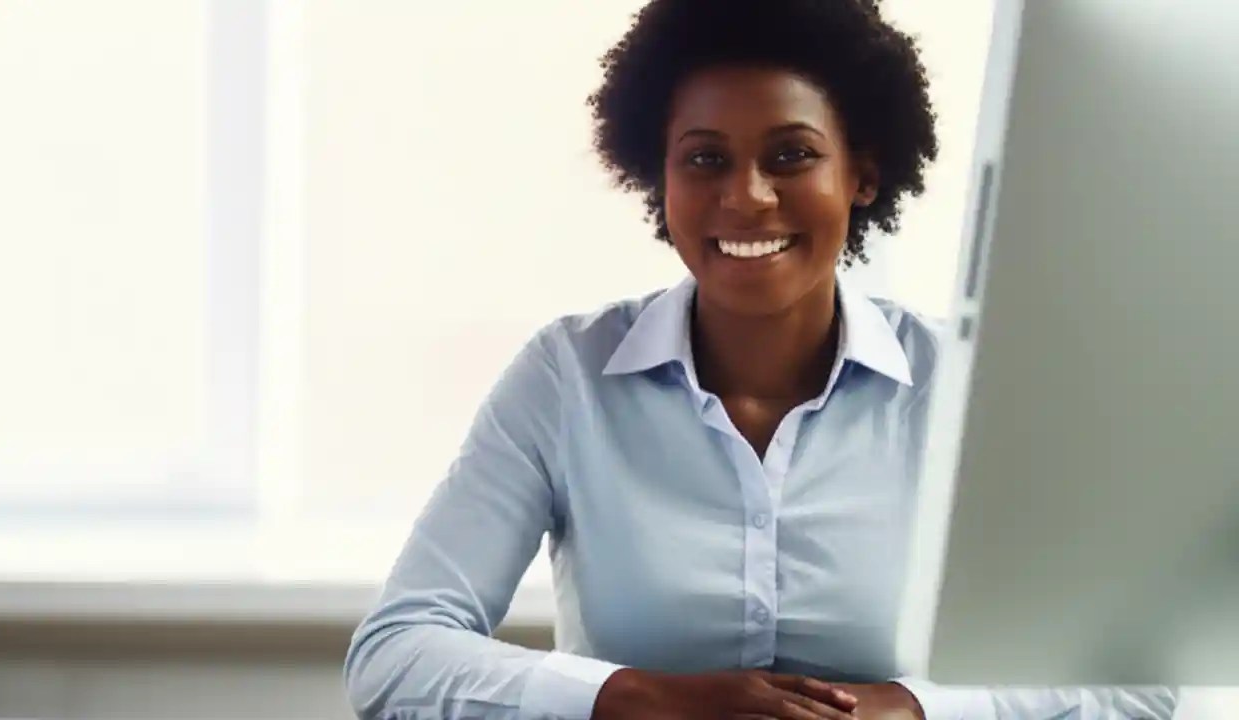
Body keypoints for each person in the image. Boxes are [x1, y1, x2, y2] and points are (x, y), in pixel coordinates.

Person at [344, 1, 1177, 718]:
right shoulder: (568, 378)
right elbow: (396, 653)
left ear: (863, 173)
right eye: (705, 158)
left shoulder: (964, 387)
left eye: (791, 155)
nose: (746, 195)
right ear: (657, 179)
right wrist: (636, 699)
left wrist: (916, 708)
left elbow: (1135, 681)